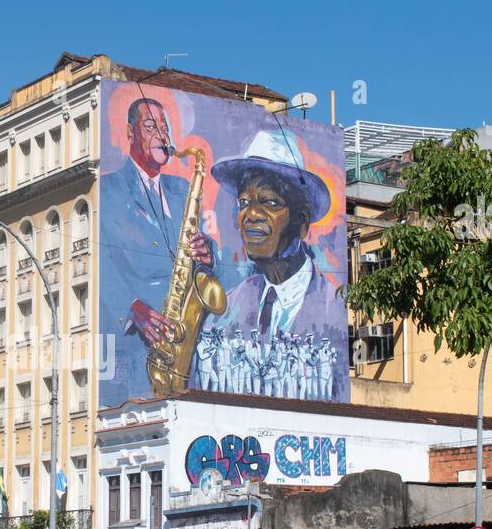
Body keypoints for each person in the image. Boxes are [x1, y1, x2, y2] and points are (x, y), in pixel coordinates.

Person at [197, 130, 345, 399]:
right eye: (244, 202)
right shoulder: (223, 312)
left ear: (302, 222)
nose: (251, 215)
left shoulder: (334, 309)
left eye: (269, 202)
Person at [99, 97, 215, 405]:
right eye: (150, 127)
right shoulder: (106, 189)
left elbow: (201, 248)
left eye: (165, 128)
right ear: (129, 132)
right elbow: (100, 257)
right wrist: (133, 307)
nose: (163, 136)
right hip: (135, 350)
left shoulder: (182, 189)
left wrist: (208, 251)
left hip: (182, 344)